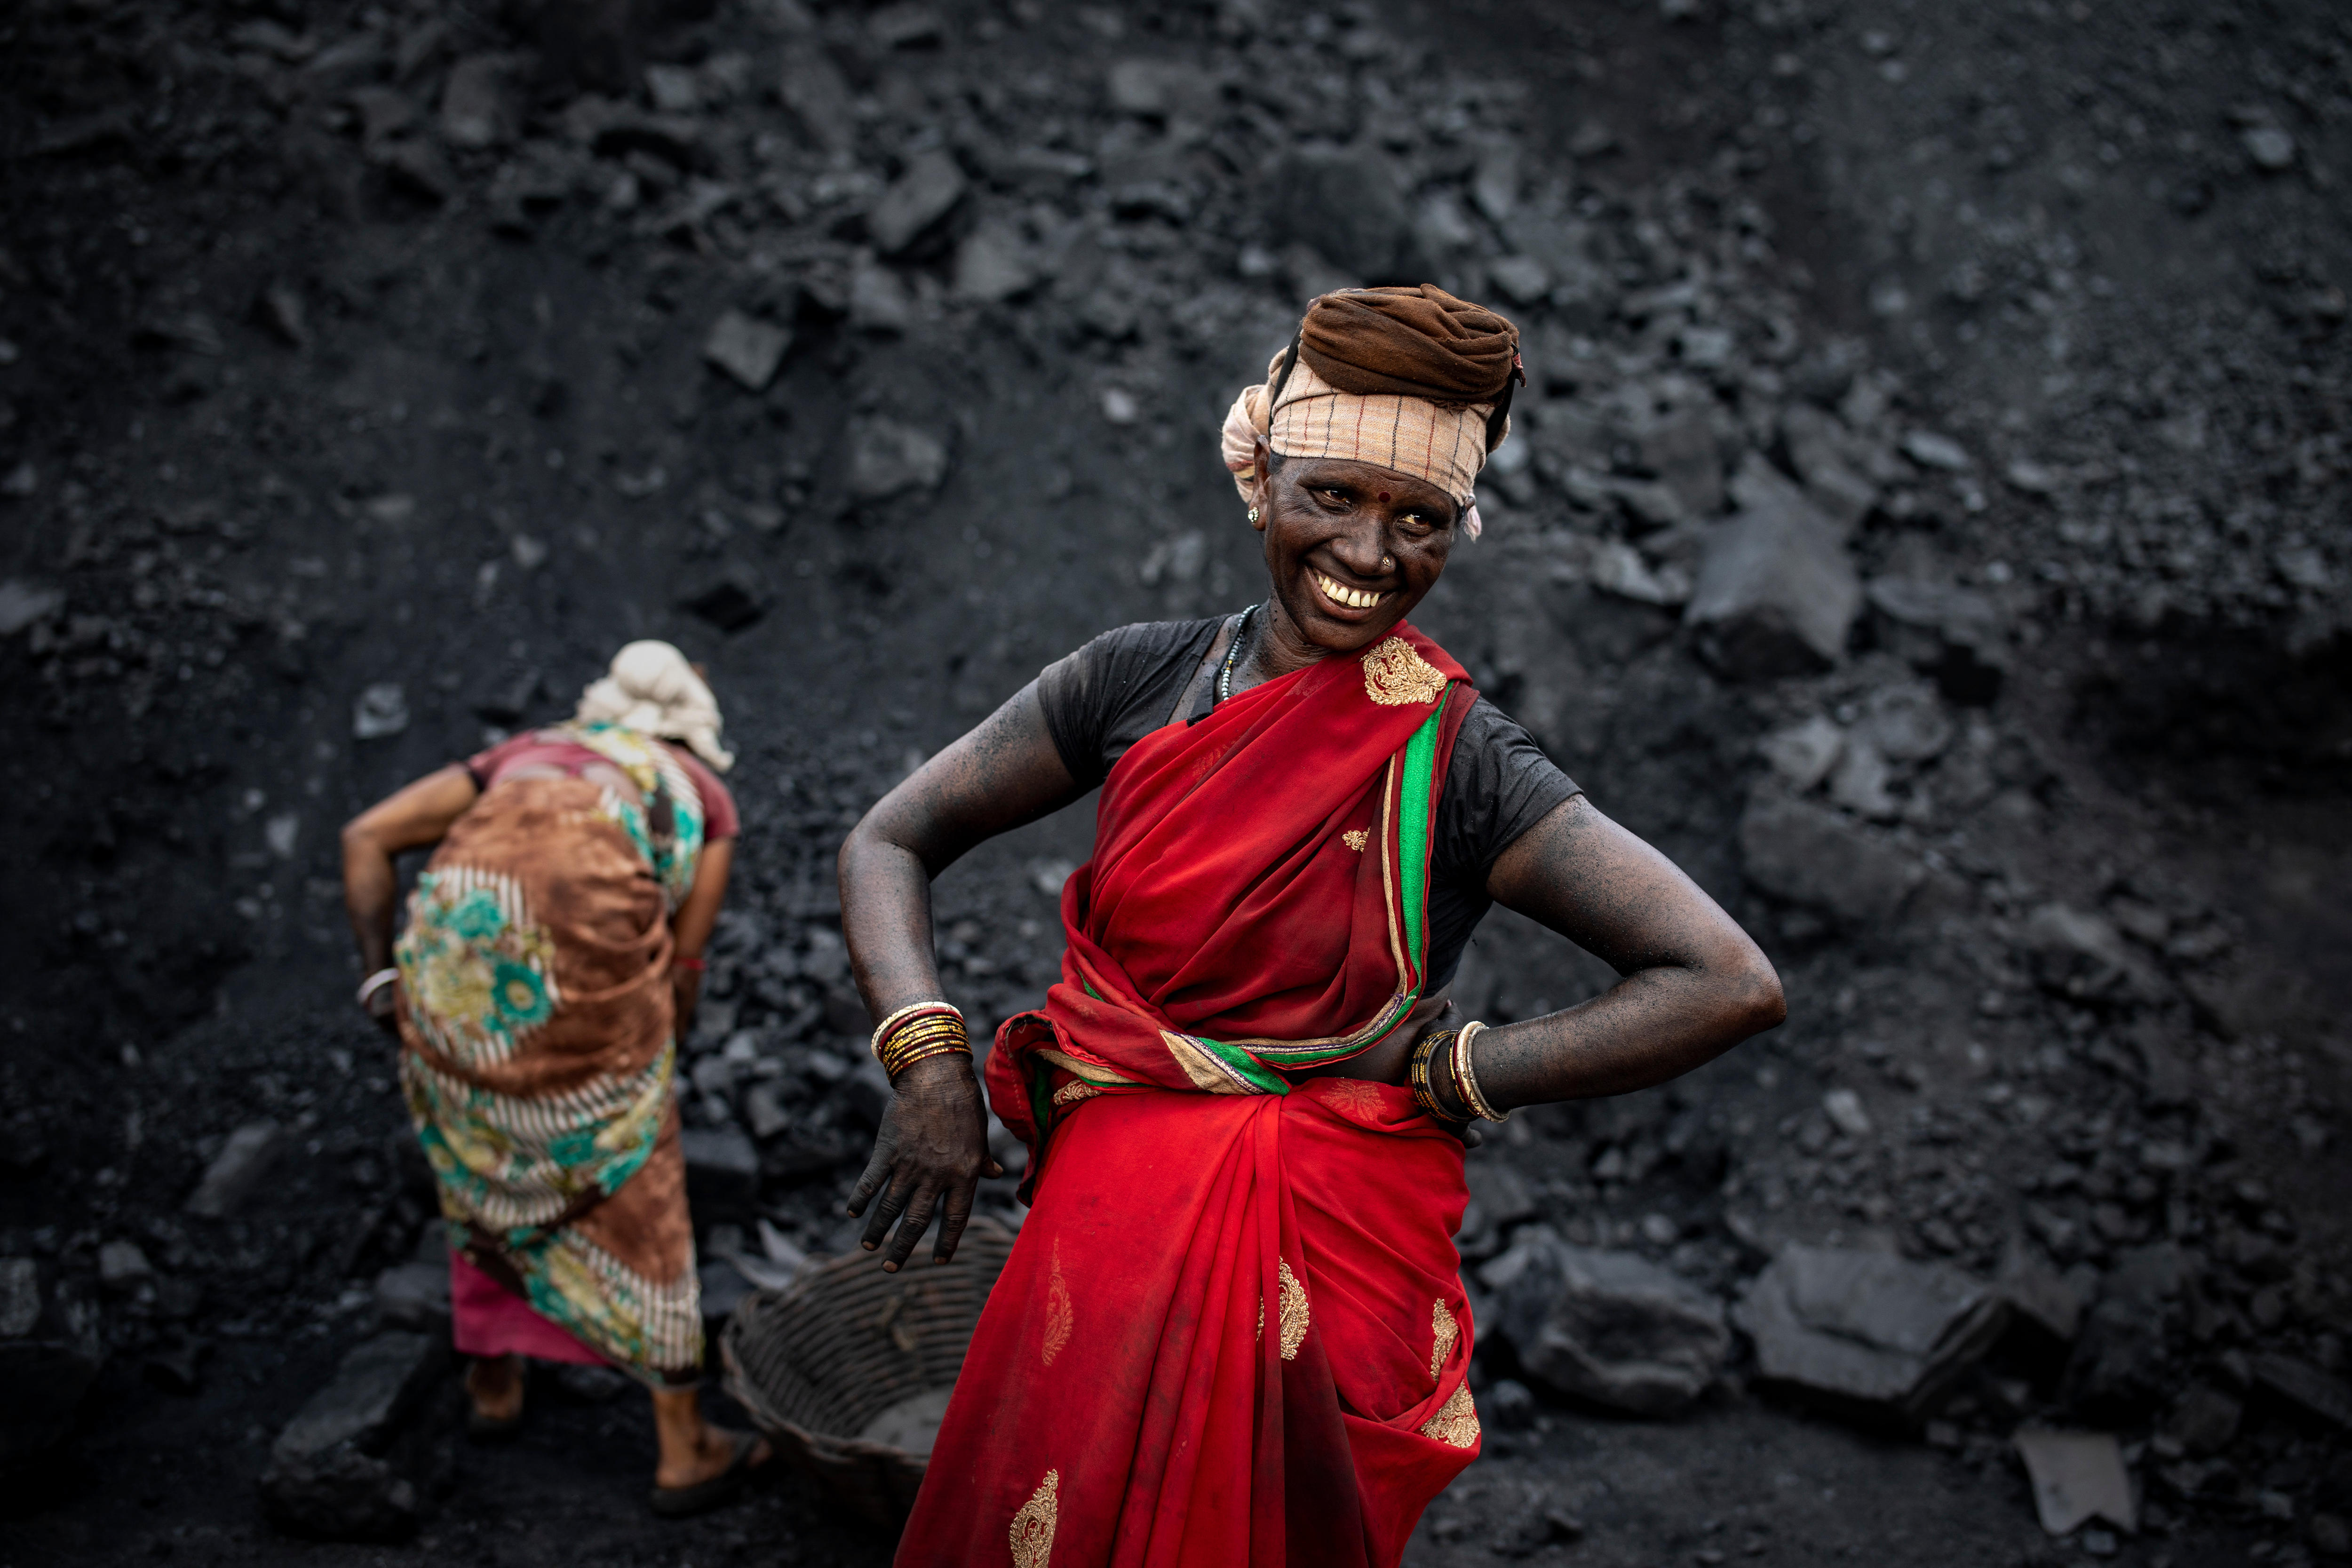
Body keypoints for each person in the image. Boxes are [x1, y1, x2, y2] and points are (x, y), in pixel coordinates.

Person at [838, 285, 1788, 1566]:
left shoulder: (1459, 760)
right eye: (1332, 494)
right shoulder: (1142, 677)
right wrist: (930, 1060)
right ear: (1261, 477)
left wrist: (1460, 1074)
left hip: (1311, 1248)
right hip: (1100, 1236)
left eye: (1421, 519)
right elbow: (891, 835)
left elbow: (1725, 978)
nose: (1369, 550)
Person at [340, 639, 770, 1517]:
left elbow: (367, 837)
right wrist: (644, 1076)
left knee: (474, 1142)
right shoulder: (704, 799)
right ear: (692, 731)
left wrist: (383, 976)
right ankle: (684, 1445)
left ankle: (494, 1383)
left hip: (452, 950)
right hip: (592, 941)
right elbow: (681, 967)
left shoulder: (523, 754)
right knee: (634, 1163)